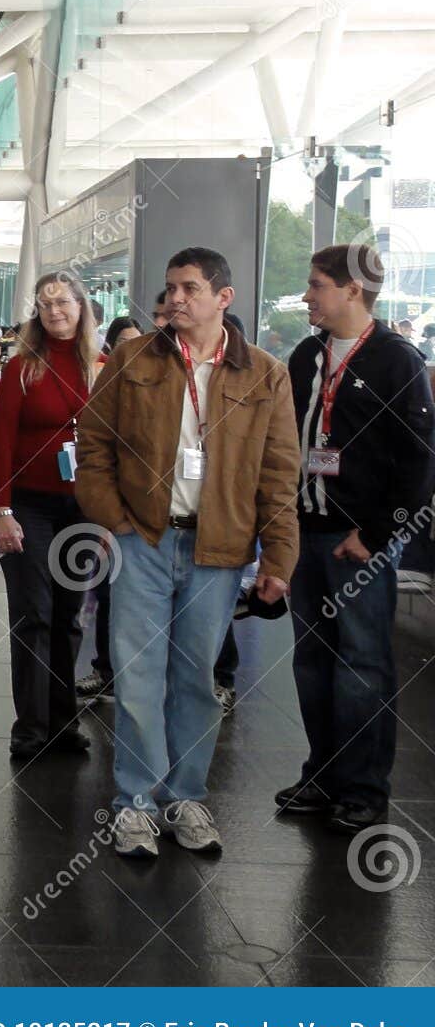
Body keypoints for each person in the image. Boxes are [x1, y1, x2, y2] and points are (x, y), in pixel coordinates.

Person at [77, 247, 300, 860]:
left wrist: (279, 559)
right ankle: (135, 803)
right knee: (137, 675)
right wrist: (116, 521)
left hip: (219, 548)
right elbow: (92, 444)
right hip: (145, 540)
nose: (175, 298)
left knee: (197, 678)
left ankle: (185, 797)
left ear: (223, 298)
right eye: (171, 287)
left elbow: (280, 474)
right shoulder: (131, 360)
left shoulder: (265, 374)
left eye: (190, 288)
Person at [278, 245, 435, 832]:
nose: (307, 296)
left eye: (316, 285)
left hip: (358, 543)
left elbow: (418, 461)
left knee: (363, 665)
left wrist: (377, 534)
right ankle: (322, 774)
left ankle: (363, 787)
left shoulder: (397, 361)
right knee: (312, 661)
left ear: (352, 290)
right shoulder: (306, 355)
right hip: (305, 532)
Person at [0, 271, 99, 761]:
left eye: (63, 302)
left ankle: (63, 720)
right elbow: (2, 441)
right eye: (45, 303)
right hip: (28, 505)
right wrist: (2, 509)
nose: (54, 311)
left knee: (69, 616)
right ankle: (31, 726)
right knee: (34, 614)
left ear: (81, 306)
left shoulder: (102, 366)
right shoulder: (22, 367)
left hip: (83, 508)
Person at [75, 315, 146, 701]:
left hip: (148, 515)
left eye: (137, 342)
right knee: (106, 591)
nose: (130, 351)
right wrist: (108, 516)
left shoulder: (154, 388)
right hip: (112, 514)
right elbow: (94, 450)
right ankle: (106, 671)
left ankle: (140, 678)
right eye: (122, 343)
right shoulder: (102, 385)